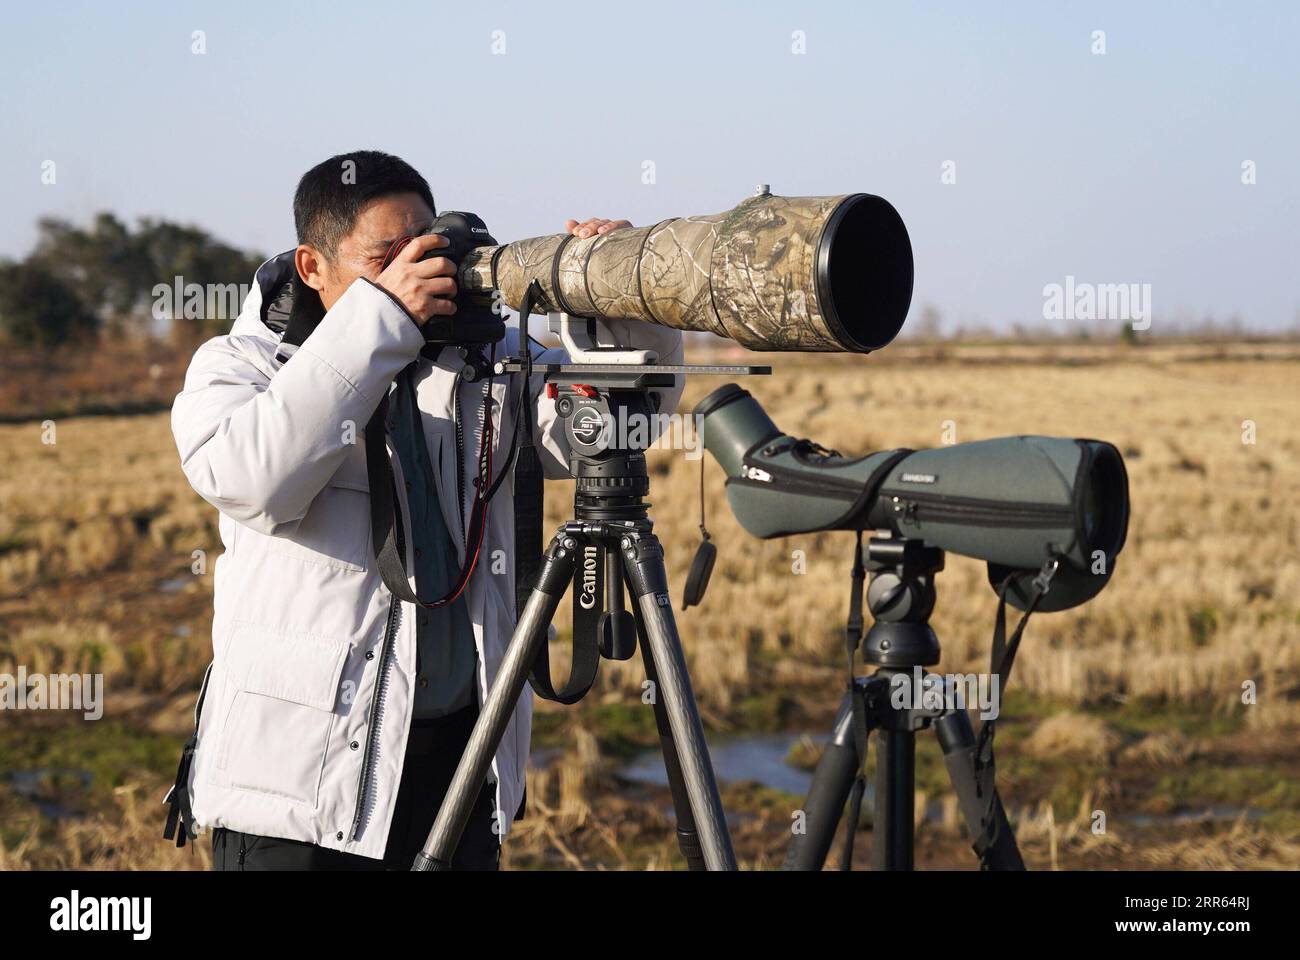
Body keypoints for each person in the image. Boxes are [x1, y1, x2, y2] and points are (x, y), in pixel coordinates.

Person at [165, 150, 682, 869]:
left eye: (424, 249)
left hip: (459, 765)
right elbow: (258, 479)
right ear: (312, 266)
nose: (418, 274)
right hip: (298, 791)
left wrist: (621, 303)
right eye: (387, 257)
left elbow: (613, 426)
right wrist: (382, 322)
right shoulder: (243, 365)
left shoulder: (480, 360)